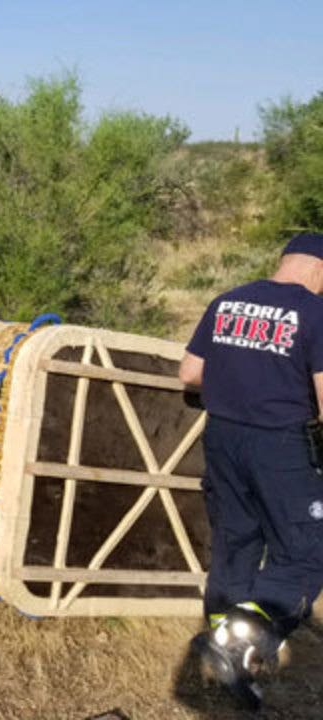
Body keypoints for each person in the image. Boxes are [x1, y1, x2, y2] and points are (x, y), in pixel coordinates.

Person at [179, 231, 323, 709]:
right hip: (279, 444)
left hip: (221, 437)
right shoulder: (315, 312)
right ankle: (238, 644)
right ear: (319, 270)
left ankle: (226, 668)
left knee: (236, 546)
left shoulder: (228, 300)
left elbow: (190, 373)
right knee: (306, 550)